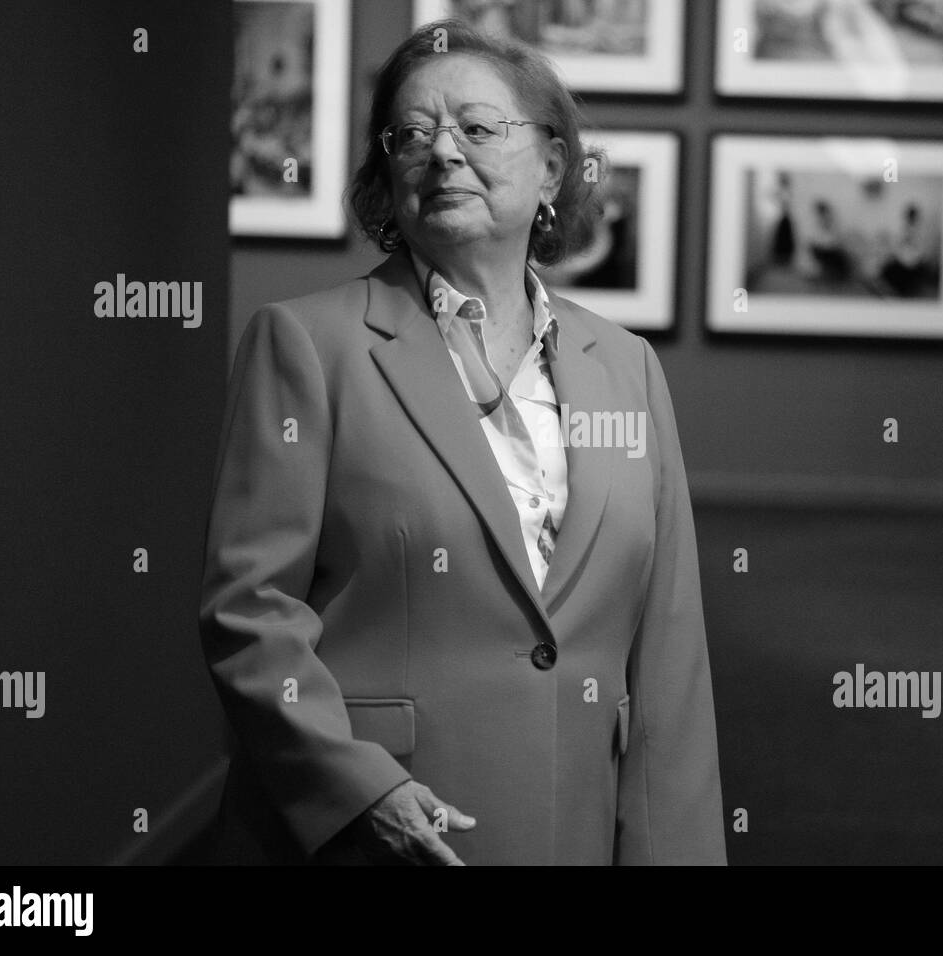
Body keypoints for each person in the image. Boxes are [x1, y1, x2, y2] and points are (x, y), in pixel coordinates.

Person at [197, 20, 726, 865]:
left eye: (477, 129)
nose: (442, 153)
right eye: (411, 135)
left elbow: (668, 661)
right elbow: (248, 611)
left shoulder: (627, 368)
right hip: (374, 840)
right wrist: (363, 790)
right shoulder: (305, 346)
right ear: (387, 173)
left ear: (554, 166)